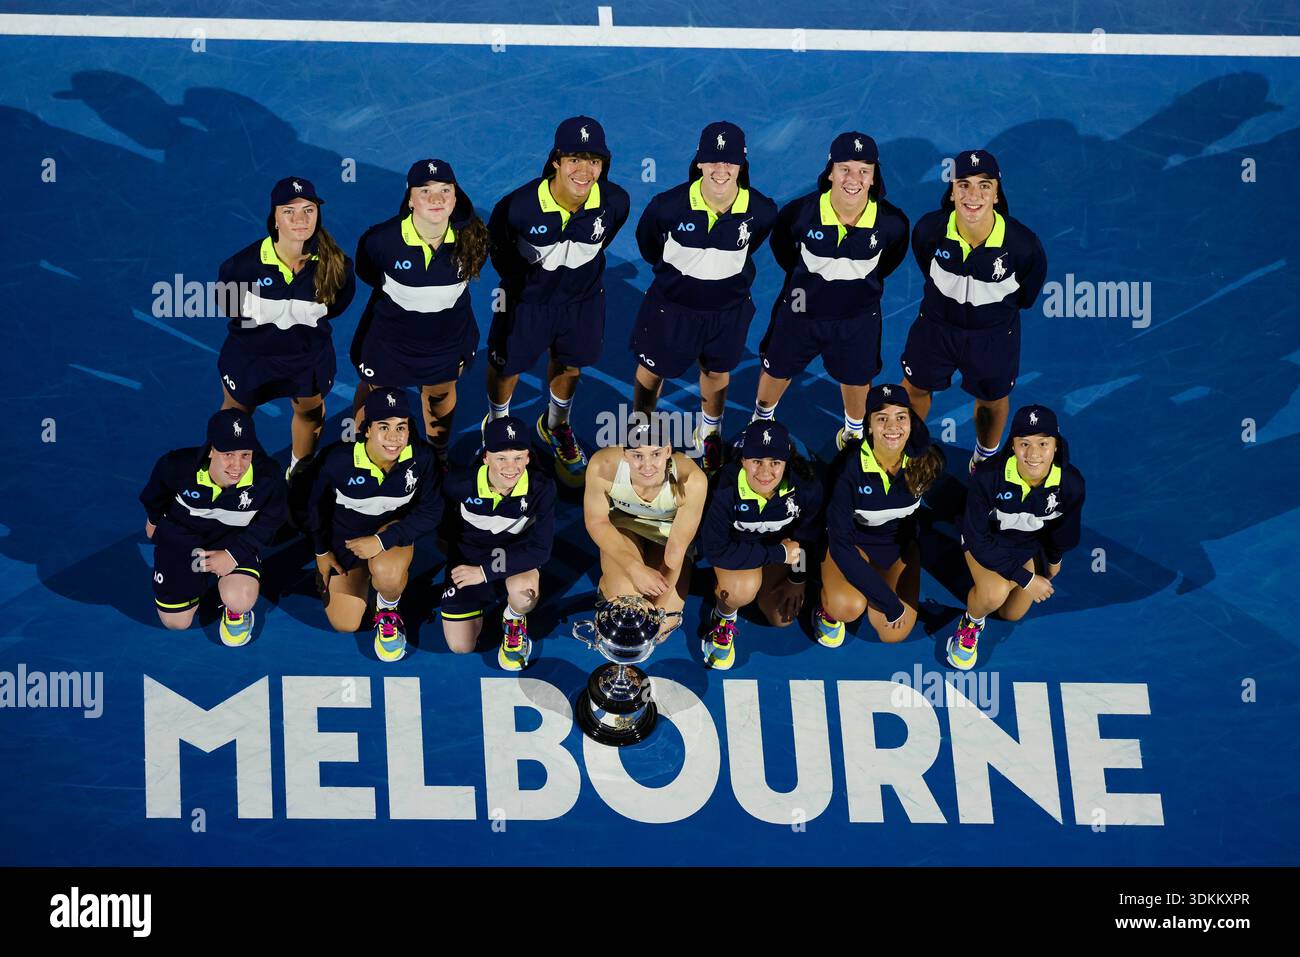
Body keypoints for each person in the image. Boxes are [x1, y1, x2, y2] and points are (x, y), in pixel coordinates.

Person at [485, 116, 631, 487]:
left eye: (594, 161)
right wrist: (528, 287)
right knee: (506, 368)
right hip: (526, 304)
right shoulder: (517, 207)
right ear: (556, 161)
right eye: (575, 160)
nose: (584, 171)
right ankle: (498, 425)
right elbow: (499, 252)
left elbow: (601, 243)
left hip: (582, 302)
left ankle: (556, 426)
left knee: (570, 367)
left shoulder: (614, 202)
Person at [630, 121, 778, 474]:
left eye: (729, 162)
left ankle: (709, 431)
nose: (721, 170)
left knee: (716, 371)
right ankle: (641, 423)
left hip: (728, 312)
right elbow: (650, 247)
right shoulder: (667, 207)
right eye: (713, 161)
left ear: (742, 165)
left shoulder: (762, 210)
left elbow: (753, 245)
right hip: (672, 309)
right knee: (652, 370)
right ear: (699, 162)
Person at [753, 132, 909, 449]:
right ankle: (761, 420)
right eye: (845, 169)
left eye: (864, 170)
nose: (854, 179)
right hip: (800, 309)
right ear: (830, 171)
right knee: (777, 367)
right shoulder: (798, 214)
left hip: (858, 317)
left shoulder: (892, 223)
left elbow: (889, 260)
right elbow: (784, 250)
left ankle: (853, 433)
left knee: (856, 377)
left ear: (874, 175)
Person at [899, 149, 1048, 473]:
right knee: (915, 388)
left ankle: (985, 457)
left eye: (984, 185)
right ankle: (908, 450)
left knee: (991, 400)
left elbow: (1026, 295)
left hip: (993, 337)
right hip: (935, 328)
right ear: (952, 191)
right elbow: (927, 265)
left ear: (996, 193)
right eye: (963, 185)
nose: (973, 195)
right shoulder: (929, 230)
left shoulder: (1023, 246)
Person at [349, 159, 490, 468]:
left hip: (446, 344)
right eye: (425, 191)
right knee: (380, 401)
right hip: (390, 344)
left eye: (445, 190)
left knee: (440, 397)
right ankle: (368, 454)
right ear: (410, 199)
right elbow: (370, 274)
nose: (437, 199)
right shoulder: (380, 242)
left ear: (456, 197)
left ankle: (437, 455)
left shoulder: (474, 239)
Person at [216, 176, 356, 480]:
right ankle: (234, 476)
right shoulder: (240, 267)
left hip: (306, 360)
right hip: (251, 359)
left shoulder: (339, 266)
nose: (300, 219)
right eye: (289, 211)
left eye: (308, 210)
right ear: (275, 219)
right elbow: (228, 308)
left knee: (309, 414)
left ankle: (299, 474)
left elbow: (336, 307)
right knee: (236, 416)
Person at [308, 387, 443, 662]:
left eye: (401, 427)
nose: (394, 438)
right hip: (345, 542)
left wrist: (382, 541)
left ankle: (388, 608)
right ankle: (361, 576)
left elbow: (431, 511)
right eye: (384, 427)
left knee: (387, 573)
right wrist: (322, 552)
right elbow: (313, 507)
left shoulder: (422, 459)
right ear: (367, 429)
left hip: (390, 538)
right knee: (344, 622)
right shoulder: (338, 461)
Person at [948, 403, 1084, 670]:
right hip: (986, 540)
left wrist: (1053, 560)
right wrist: (1025, 578)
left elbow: (1065, 530)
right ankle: (970, 623)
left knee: (1011, 614)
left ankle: (999, 585)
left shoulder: (1071, 483)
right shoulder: (988, 477)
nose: (1033, 454)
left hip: (1026, 546)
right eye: (1025, 443)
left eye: (1043, 444)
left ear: (1056, 446)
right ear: (1012, 445)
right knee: (993, 594)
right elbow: (977, 538)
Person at [139, 409, 287, 646]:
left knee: (239, 598)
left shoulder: (268, 478)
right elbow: (155, 493)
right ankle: (186, 579)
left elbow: (271, 521)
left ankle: (234, 609)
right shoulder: (177, 465)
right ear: (211, 449)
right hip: (182, 537)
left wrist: (233, 555)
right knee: (176, 622)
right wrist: (154, 521)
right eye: (228, 454)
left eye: (245, 454)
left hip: (232, 540)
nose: (237, 466)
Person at [814, 385, 945, 647]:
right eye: (882, 418)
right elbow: (841, 545)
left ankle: (877, 583)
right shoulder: (847, 470)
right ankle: (826, 606)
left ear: (911, 423)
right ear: (869, 426)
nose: (892, 426)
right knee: (847, 606)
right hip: (853, 545)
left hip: (897, 548)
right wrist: (890, 602)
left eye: (901, 417)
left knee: (893, 633)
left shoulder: (928, 462)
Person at [700, 420, 823, 670]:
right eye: (757, 461)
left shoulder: (806, 487)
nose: (766, 473)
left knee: (781, 617)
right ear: (743, 460)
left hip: (781, 554)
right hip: (746, 550)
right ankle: (724, 617)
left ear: (786, 462)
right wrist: (777, 553)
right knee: (741, 589)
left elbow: (810, 537)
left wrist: (797, 579)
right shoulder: (724, 490)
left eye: (775, 463)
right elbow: (715, 550)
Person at [438, 416, 555, 671]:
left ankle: (514, 619)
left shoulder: (542, 488)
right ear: (486, 457)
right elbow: (444, 529)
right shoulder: (458, 485)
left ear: (527, 457)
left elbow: (540, 550)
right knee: (460, 645)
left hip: (516, 558)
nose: (510, 467)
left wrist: (484, 572)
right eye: (501, 457)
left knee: (525, 595)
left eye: (517, 457)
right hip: (470, 559)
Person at [582, 422, 708, 640]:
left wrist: (655, 611)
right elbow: (597, 522)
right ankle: (609, 586)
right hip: (623, 527)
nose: (647, 465)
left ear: (668, 451)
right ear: (624, 453)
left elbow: (676, 549)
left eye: (656, 454)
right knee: (626, 605)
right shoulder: (602, 466)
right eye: (637, 455)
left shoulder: (692, 481)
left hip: (669, 539)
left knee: (660, 627)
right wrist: (634, 568)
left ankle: (622, 589)